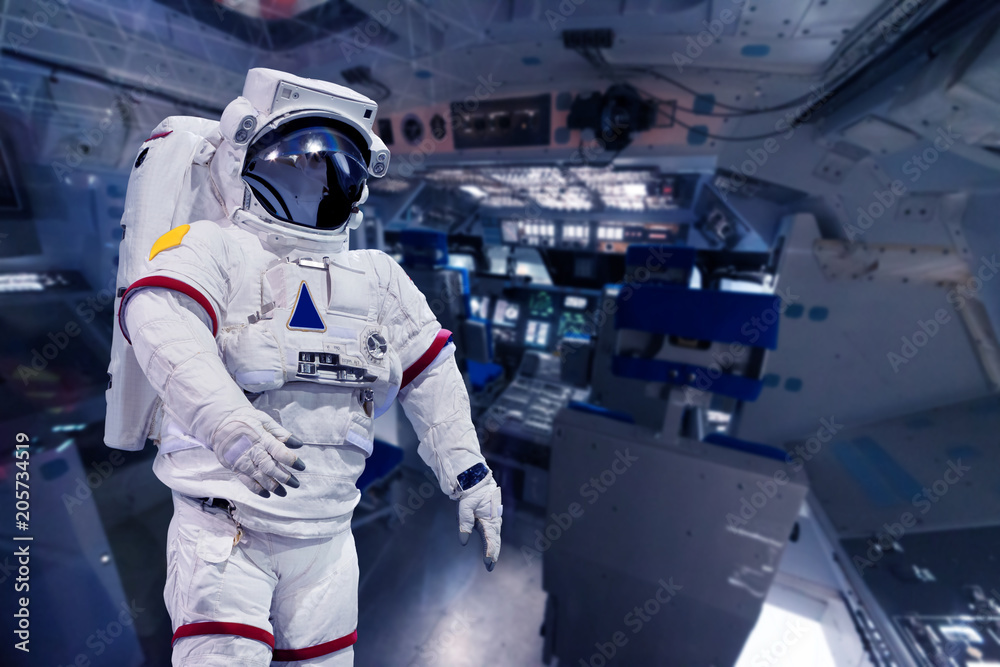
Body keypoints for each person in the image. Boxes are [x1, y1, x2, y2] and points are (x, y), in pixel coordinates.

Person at [116, 68, 502, 666]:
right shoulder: (213, 246)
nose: (309, 175)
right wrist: (230, 425)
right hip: (224, 534)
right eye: (291, 158)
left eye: (327, 165)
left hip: (327, 539)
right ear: (246, 158)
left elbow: (432, 371)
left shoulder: (377, 276)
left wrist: (470, 472)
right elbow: (159, 315)